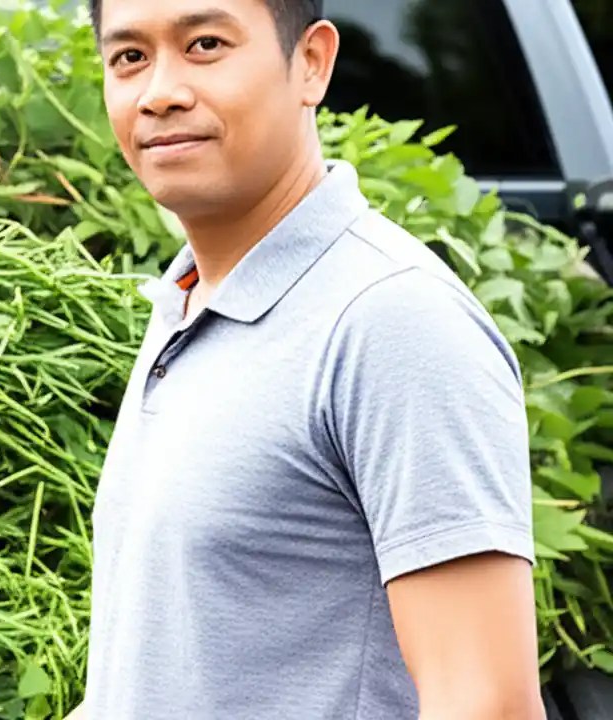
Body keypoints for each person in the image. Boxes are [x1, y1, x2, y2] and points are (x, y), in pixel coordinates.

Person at [69, 0, 546, 718]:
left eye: (204, 44)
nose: (159, 90)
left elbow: (486, 703)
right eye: (129, 57)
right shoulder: (188, 301)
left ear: (312, 63)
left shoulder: (391, 323)